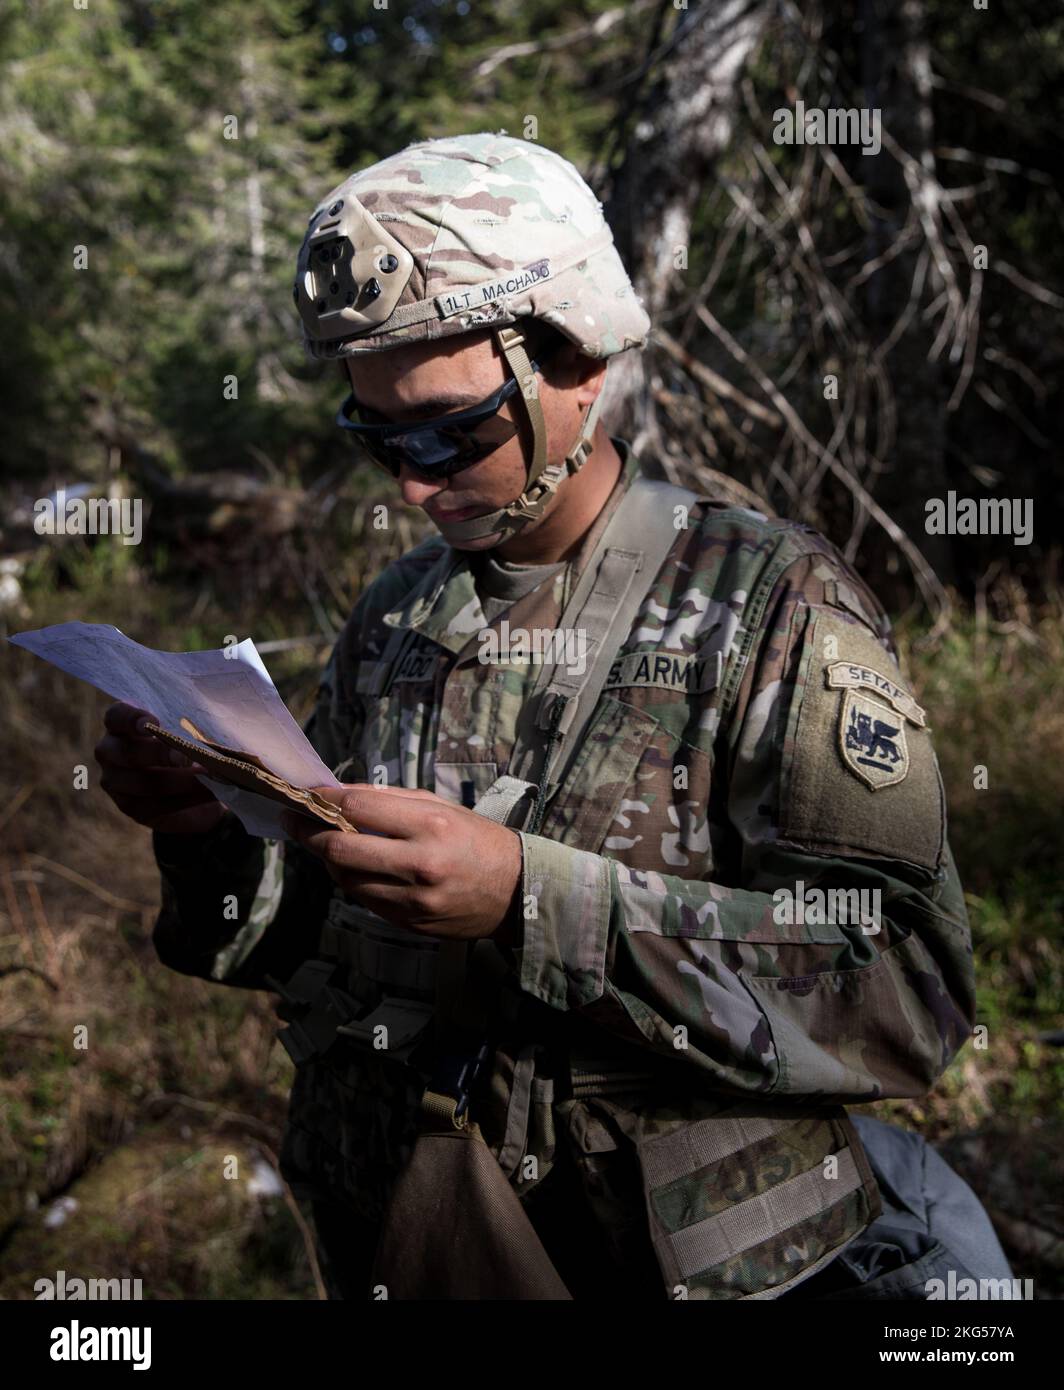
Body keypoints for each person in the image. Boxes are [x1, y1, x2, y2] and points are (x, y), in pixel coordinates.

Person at [95, 132, 997, 1300]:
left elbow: (902, 987)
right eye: (377, 438)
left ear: (584, 358)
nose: (414, 485)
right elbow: (299, 943)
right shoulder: (397, 614)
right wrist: (203, 823)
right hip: (416, 1241)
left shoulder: (771, 603)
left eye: (449, 430)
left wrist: (530, 899)